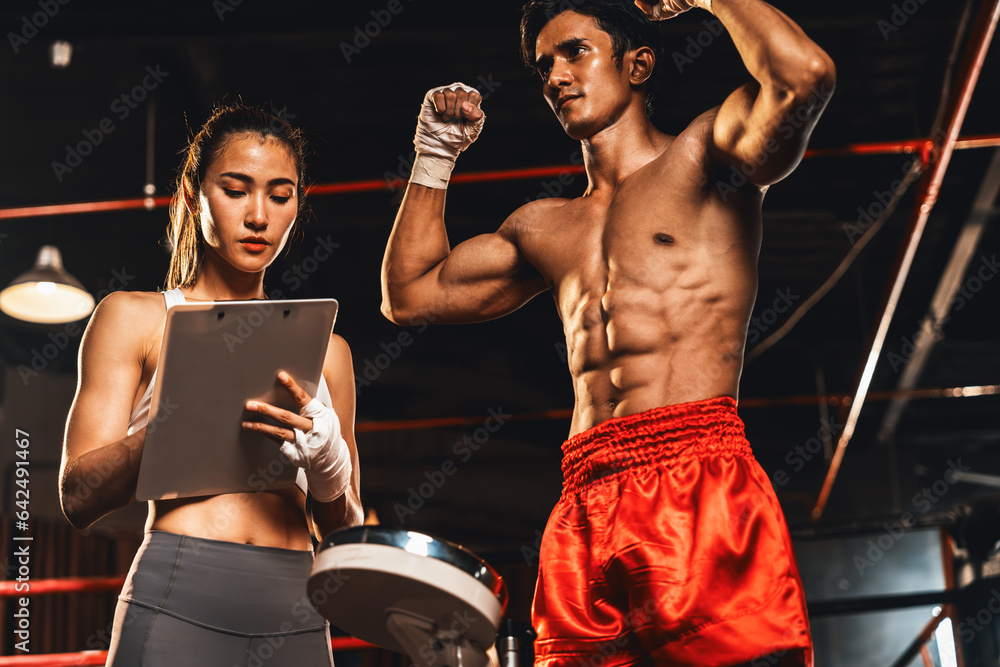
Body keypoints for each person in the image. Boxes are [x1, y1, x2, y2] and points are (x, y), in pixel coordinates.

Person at [380, 0, 835, 665]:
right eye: (543, 67)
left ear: (638, 63)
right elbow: (409, 294)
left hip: (697, 475)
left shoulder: (708, 156)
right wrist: (434, 153)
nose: (556, 77)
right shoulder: (543, 226)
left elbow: (805, 76)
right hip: (585, 496)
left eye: (575, 52)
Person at [59, 105, 362, 665]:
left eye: (280, 194)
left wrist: (329, 469)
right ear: (193, 193)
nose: (258, 216)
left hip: (296, 612)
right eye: (235, 189)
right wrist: (173, 429)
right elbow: (76, 498)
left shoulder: (329, 352)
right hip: (178, 593)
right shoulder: (136, 317)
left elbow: (346, 532)